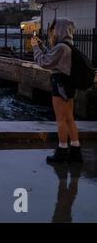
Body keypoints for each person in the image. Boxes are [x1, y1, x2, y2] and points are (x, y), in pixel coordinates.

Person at [31, 18, 83, 164]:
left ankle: (61, 151)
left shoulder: (61, 47)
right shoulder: (68, 46)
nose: (52, 32)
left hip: (60, 84)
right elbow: (52, 58)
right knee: (69, 118)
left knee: (61, 119)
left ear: (59, 29)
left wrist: (35, 47)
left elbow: (44, 62)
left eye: (54, 29)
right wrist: (42, 47)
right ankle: (75, 150)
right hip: (68, 85)